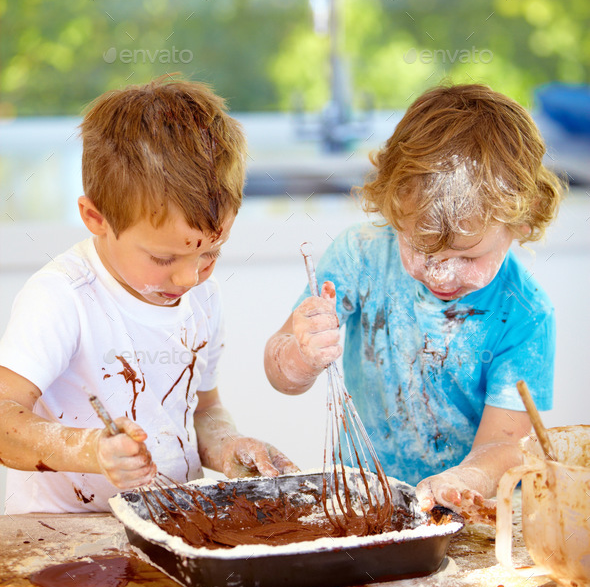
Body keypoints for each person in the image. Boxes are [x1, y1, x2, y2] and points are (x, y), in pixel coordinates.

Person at [264, 83, 565, 521]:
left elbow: (506, 445)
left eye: (468, 256)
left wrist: (466, 480)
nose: (442, 272)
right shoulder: (360, 256)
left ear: (521, 221)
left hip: (470, 518)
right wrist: (300, 354)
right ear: (393, 207)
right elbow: (280, 375)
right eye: (423, 249)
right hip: (363, 502)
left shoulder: (525, 314)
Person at [0, 76, 296, 514]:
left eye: (212, 253)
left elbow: (204, 409)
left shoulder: (203, 297)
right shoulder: (62, 297)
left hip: (171, 527)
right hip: (67, 540)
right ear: (95, 218)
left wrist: (227, 447)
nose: (189, 278)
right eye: (162, 259)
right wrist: (91, 450)